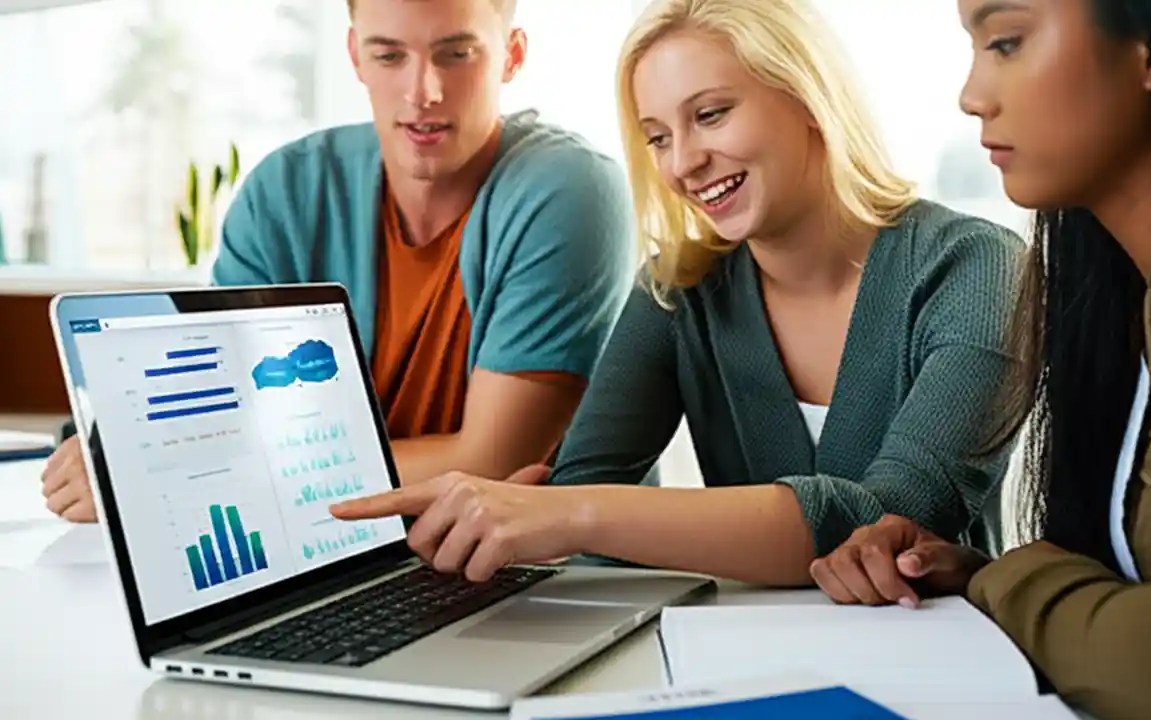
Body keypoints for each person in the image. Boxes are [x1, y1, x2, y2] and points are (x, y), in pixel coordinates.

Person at [330, 0, 1024, 588]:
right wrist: (559, 510)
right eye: (658, 137)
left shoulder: (976, 268)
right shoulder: (678, 291)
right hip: (729, 666)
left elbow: (892, 518)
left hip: (940, 666)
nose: (684, 163)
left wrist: (571, 516)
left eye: (712, 115)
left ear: (809, 97)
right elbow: (582, 483)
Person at [808, 0, 1151, 717]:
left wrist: (1016, 577)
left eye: (1006, 42)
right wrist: (973, 573)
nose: (972, 97)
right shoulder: (1135, 290)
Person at [38, 0, 634, 523]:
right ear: (354, 54)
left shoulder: (570, 191)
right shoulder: (286, 190)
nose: (423, 91)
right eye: (389, 55)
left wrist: (174, 476)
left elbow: (491, 462)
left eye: (456, 54)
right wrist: (140, 452)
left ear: (511, 55)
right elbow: (218, 409)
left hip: (538, 579)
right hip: (330, 559)